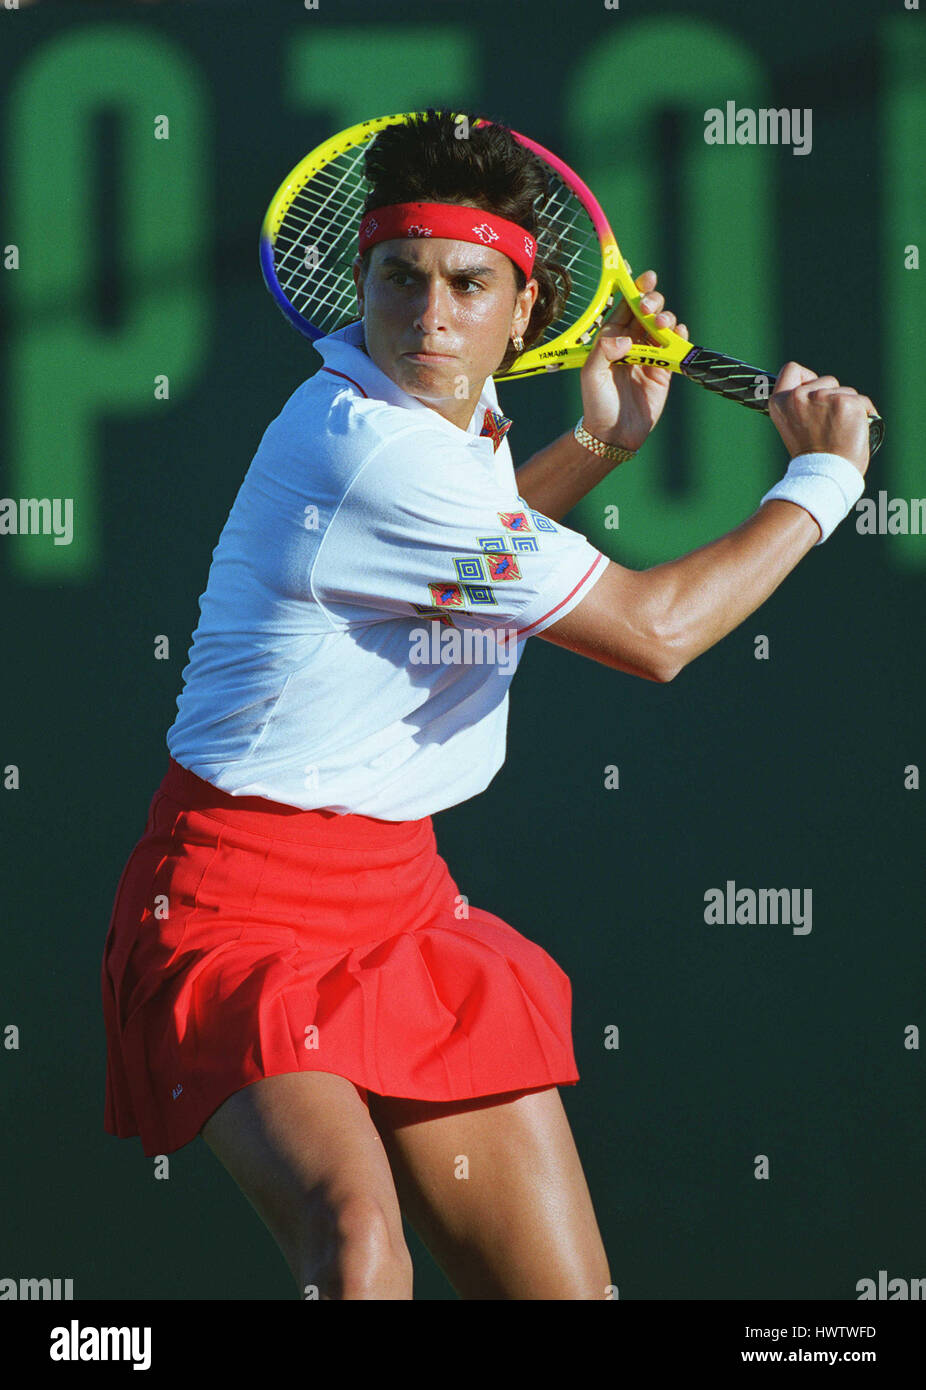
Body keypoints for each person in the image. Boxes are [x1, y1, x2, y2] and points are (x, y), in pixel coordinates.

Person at [100, 110, 876, 1300]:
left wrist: (598, 445)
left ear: (524, 314)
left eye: (467, 286)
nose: (428, 315)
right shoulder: (368, 443)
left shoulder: (441, 433)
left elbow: (451, 577)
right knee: (355, 1244)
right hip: (232, 906)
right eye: (398, 278)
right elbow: (653, 636)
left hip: (400, 903)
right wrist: (822, 477)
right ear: (355, 283)